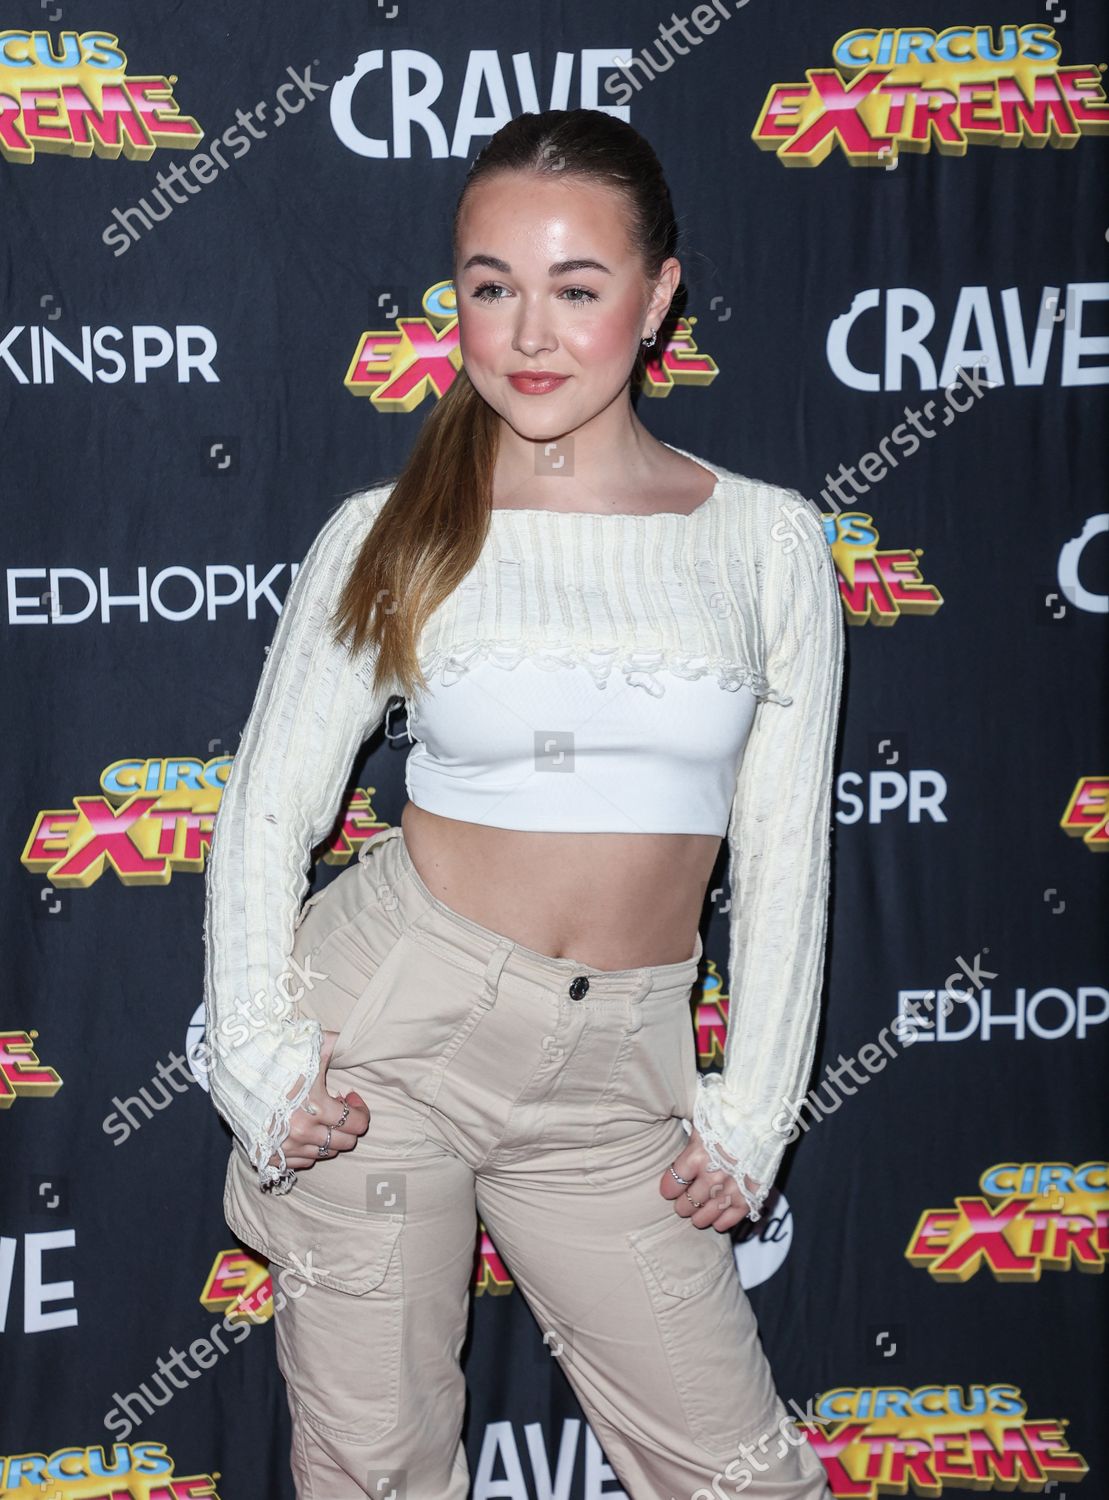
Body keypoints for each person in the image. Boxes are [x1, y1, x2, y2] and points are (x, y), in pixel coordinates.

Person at [203, 108, 842, 1499]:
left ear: (658, 297)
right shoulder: (389, 529)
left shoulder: (767, 541)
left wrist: (753, 1117)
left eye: (577, 286)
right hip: (381, 1050)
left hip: (619, 1079)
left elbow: (788, 851)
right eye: (491, 287)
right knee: (375, 1473)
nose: (529, 333)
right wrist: (262, 1068)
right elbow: (263, 819)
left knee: (744, 1476)